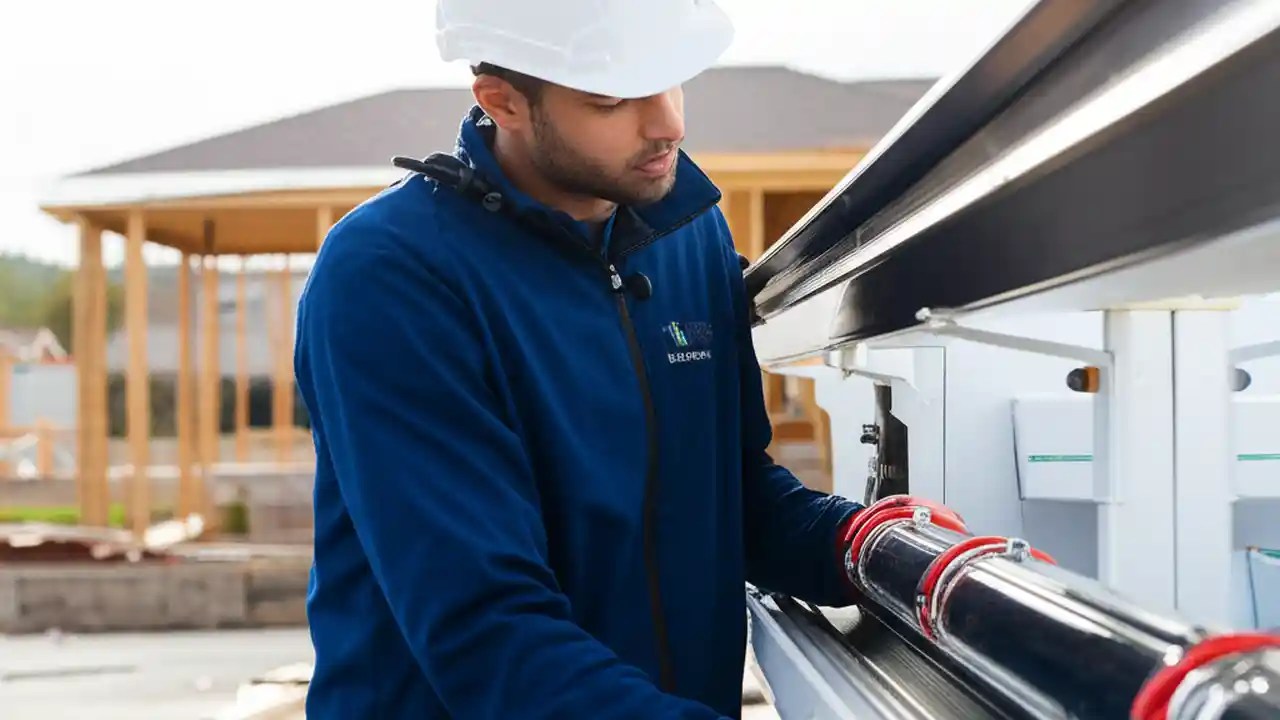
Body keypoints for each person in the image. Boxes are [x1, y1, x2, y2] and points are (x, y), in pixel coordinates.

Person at [293, 1, 960, 717]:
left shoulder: (688, 233)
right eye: (613, 99)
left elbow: (728, 493)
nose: (668, 123)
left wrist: (859, 544)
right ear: (504, 102)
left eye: (672, 80)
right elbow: (485, 628)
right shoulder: (394, 275)